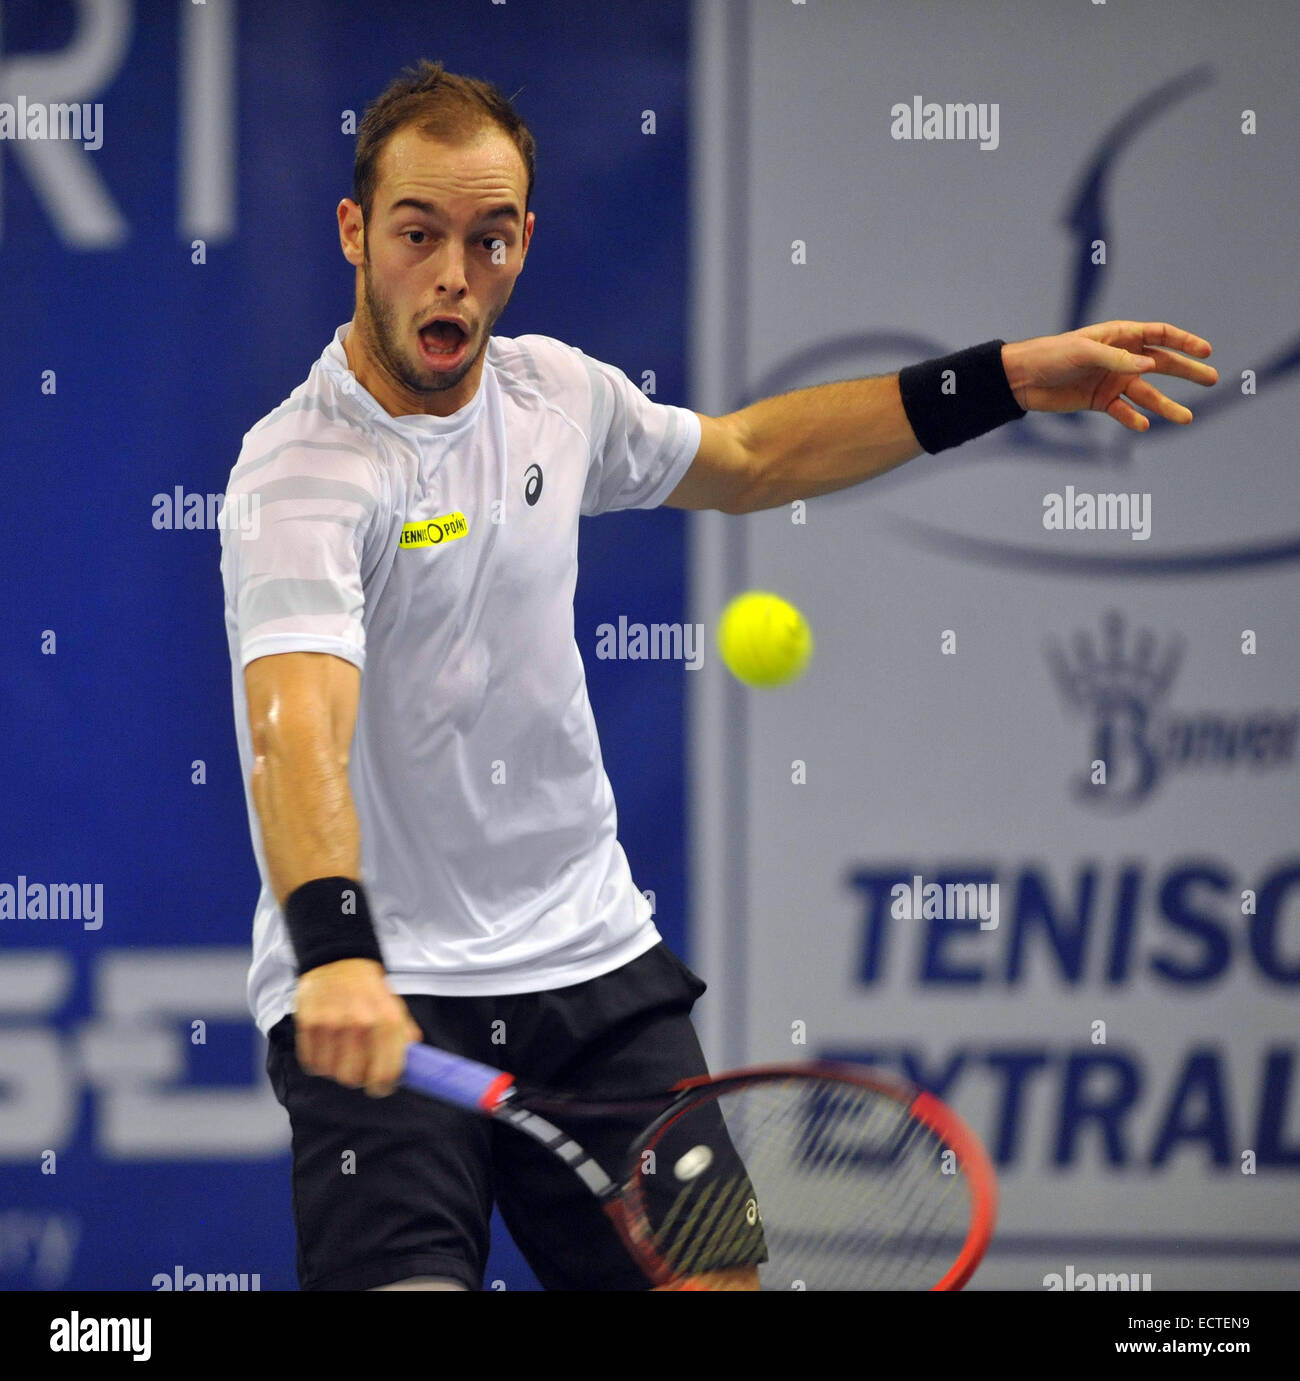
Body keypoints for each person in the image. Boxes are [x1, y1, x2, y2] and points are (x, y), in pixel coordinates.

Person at [219, 58, 1217, 1292]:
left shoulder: (556, 396)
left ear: (525, 240)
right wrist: (336, 950)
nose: (453, 275)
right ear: (355, 232)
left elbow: (749, 456)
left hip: (592, 973)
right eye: (419, 234)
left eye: (489, 239)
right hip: (384, 998)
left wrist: (1003, 378)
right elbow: (295, 723)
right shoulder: (299, 472)